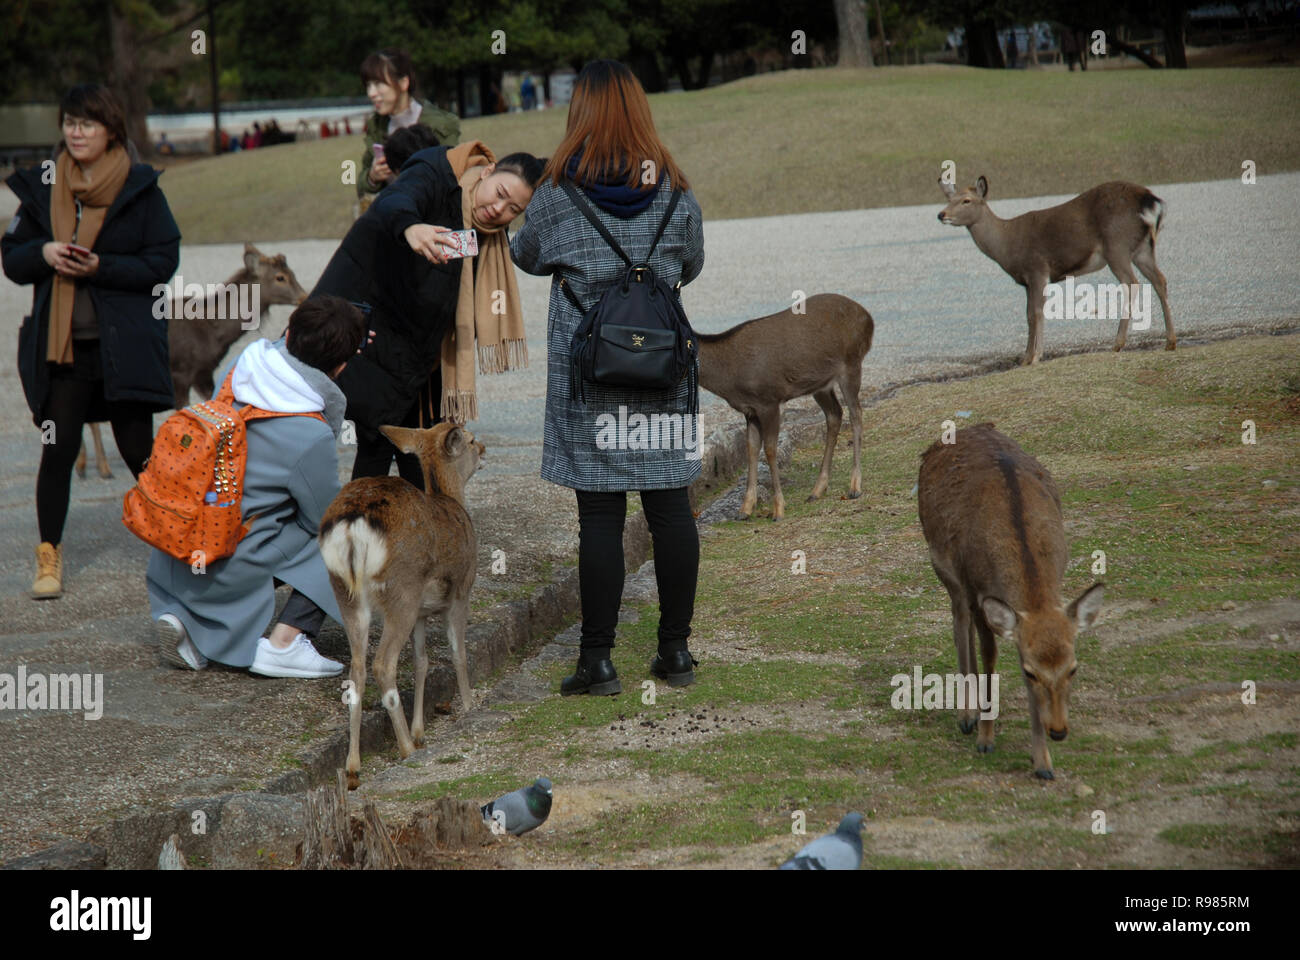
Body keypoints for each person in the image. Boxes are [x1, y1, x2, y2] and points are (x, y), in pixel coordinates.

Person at [509, 59, 705, 696]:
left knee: (600, 518)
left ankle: (597, 662)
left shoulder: (559, 195)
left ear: (580, 114)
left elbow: (525, 254)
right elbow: (692, 264)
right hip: (662, 371)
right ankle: (674, 653)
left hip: (589, 374)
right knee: (670, 510)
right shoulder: (676, 191)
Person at [2, 83, 180, 600]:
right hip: (63, 354)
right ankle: (48, 555)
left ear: (111, 131)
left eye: (88, 124)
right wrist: (44, 253)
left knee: (141, 453)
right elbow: (12, 257)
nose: (76, 133)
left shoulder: (140, 187)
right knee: (56, 450)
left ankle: (177, 546)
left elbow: (162, 262)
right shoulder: (41, 186)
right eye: (70, 123)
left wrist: (103, 267)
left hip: (122, 348)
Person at [147, 296, 368, 677]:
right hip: (232, 553)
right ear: (341, 368)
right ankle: (285, 643)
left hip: (183, 540)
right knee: (347, 531)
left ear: (289, 332)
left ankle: (188, 619)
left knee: (249, 505)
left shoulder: (243, 366)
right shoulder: (310, 433)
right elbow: (323, 517)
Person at [314, 141, 542, 485]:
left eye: (513, 208)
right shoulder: (436, 174)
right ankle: (357, 526)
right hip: (375, 329)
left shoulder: (487, 236)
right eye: (499, 193)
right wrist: (411, 227)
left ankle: (408, 527)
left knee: (419, 450)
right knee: (379, 440)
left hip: (422, 356)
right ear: (489, 170)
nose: (498, 209)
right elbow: (393, 201)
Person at [357, 48, 462, 214]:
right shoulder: (376, 127)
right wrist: (372, 177)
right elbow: (362, 187)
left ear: (403, 83)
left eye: (378, 84)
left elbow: (453, 178)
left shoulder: (440, 124)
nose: (371, 93)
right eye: (368, 85)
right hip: (391, 217)